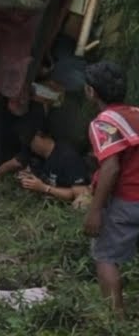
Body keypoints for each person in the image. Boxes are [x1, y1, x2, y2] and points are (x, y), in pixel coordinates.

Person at [82, 61, 139, 317]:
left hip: (128, 199)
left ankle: (115, 321)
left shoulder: (103, 123)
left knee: (105, 256)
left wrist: (94, 211)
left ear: (91, 92)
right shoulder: (136, 113)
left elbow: (111, 168)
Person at [0, 127, 91, 204]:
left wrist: (45, 188)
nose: (29, 147)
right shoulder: (39, 157)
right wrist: (29, 178)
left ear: (39, 136)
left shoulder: (68, 157)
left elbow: (79, 194)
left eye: (30, 142)